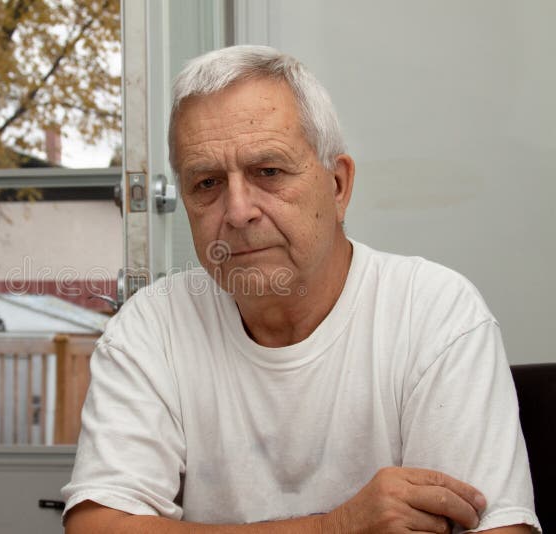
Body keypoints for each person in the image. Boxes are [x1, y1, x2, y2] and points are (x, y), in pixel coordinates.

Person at [61, 45, 540, 533]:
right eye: (206, 183)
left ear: (338, 186)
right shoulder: (152, 327)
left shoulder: (434, 313)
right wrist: (334, 528)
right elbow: (98, 527)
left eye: (268, 172)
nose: (238, 211)